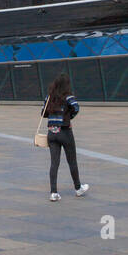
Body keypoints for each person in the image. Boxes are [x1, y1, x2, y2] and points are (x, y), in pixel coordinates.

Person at [42, 73, 88, 201]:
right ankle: (78, 188)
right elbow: (76, 108)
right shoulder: (68, 96)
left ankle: (53, 193)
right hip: (65, 131)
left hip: (52, 133)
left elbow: (43, 112)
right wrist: (69, 117)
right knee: (71, 160)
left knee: (54, 163)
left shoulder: (49, 97)